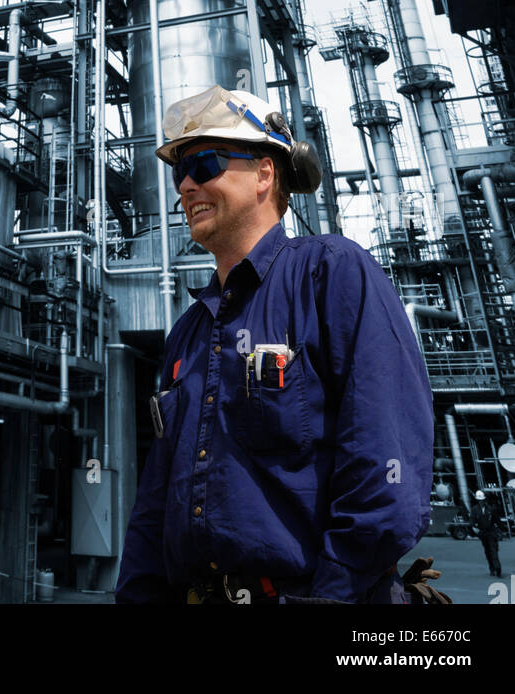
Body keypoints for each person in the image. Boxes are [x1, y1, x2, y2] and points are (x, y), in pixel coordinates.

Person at [115, 84, 435, 605]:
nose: (185, 187)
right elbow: (155, 501)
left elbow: (385, 468)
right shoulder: (187, 334)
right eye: (179, 172)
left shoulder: (331, 274)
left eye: (204, 164)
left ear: (265, 173)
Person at [470, 489, 502, 576]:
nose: (481, 502)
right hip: (483, 533)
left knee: (493, 550)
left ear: (484, 500)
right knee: (487, 551)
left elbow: (497, 521)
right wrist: (474, 529)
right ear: (477, 501)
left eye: (482, 500)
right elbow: (472, 521)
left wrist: (500, 531)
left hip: (491, 532)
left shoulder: (491, 509)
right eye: (479, 501)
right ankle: (492, 568)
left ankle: (497, 568)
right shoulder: (474, 510)